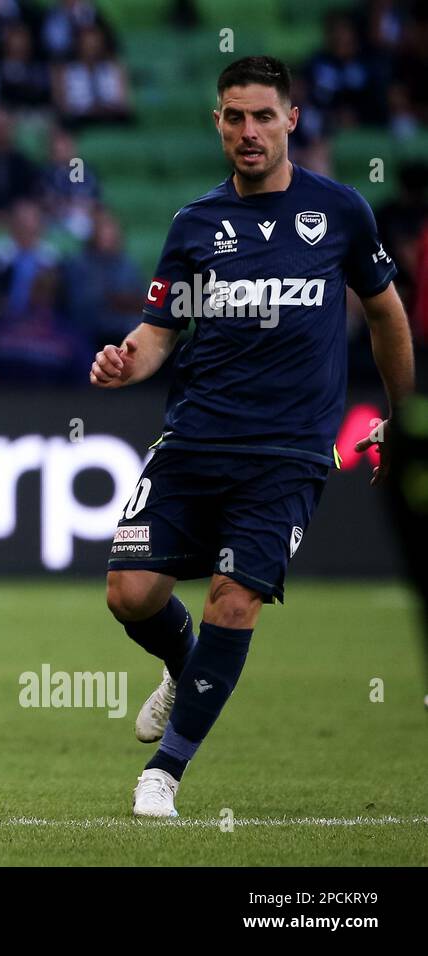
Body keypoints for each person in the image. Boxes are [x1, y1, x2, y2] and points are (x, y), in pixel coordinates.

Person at [89, 56, 413, 817]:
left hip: (288, 453)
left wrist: (405, 418)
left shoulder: (339, 213)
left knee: (233, 601)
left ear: (291, 120)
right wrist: (122, 360)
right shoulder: (195, 225)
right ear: (217, 123)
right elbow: (160, 333)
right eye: (234, 117)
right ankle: (181, 667)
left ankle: (163, 776)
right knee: (130, 595)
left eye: (263, 116)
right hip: (194, 439)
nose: (249, 131)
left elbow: (388, 316)